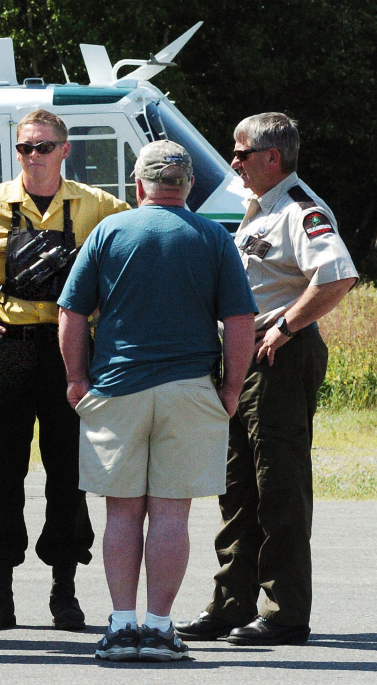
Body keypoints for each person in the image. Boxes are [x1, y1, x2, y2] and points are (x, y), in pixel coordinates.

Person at [0, 109, 129, 632]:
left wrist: (111, 333)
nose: (33, 156)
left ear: (66, 150)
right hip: (6, 349)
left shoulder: (101, 207)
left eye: (43, 147)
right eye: (24, 148)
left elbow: (135, 263)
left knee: (70, 470)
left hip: (70, 352)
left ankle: (66, 589)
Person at [57, 140, 257, 662]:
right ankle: (161, 627)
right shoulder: (214, 236)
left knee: (122, 514)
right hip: (190, 387)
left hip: (116, 386)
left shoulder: (108, 231)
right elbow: (240, 321)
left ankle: (122, 626)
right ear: (188, 184)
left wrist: (76, 378)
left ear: (139, 185)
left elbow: (72, 313)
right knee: (172, 513)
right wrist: (232, 388)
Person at [176, 113, 358, 646]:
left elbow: (339, 275)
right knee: (237, 488)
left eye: (241, 153)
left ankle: (284, 613)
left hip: (279, 359)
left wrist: (285, 326)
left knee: (278, 487)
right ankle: (232, 603)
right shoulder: (260, 210)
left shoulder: (301, 211)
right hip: (243, 360)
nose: (233, 162)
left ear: (271, 158)